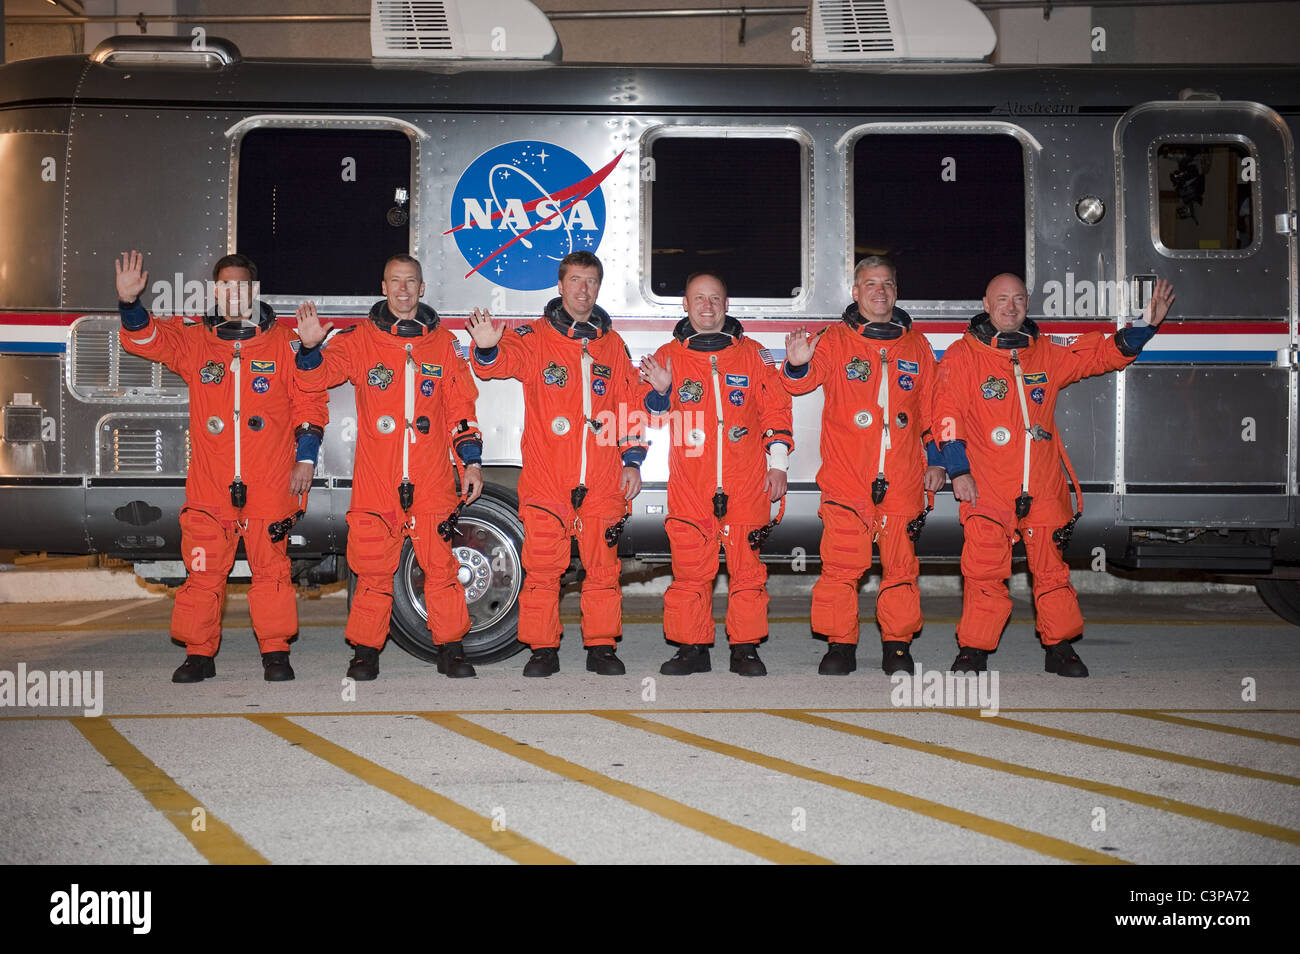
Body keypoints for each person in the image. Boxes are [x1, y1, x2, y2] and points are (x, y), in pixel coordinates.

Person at [933, 273, 1176, 676]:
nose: (1010, 307)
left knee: (1051, 572)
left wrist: (1145, 326)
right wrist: (958, 470)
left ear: (1027, 303)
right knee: (984, 571)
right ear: (985, 303)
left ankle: (1059, 646)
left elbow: (1099, 355)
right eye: (1002, 299)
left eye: (1018, 300)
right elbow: (946, 415)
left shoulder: (1044, 352)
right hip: (988, 485)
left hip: (1042, 485)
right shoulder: (962, 356)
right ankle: (974, 649)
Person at [115, 250, 328, 683]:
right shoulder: (196, 340)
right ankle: (199, 653)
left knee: (271, 572)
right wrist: (130, 303)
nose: (234, 293)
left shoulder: (286, 342)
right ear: (216, 290)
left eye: (243, 285)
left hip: (270, 480)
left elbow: (310, 401)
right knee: (204, 571)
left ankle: (275, 651)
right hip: (212, 484)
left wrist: (306, 458)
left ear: (254, 290)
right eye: (226, 285)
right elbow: (145, 339)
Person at [294, 254, 483, 681]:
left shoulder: (443, 345)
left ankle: (451, 648)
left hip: (431, 477)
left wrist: (470, 462)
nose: (403, 289)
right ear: (383, 287)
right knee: (373, 569)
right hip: (378, 481)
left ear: (422, 287)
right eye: (395, 281)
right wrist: (308, 349)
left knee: (441, 567)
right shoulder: (360, 339)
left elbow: (461, 410)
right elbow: (315, 378)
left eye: (411, 281)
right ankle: (365, 652)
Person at [466, 252, 647, 677]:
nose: (583, 289)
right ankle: (542, 649)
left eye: (591, 282)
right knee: (544, 568)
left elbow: (631, 404)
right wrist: (487, 347)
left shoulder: (612, 345)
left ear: (598, 288)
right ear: (561, 286)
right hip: (549, 478)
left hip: (602, 477)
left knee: (603, 568)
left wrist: (633, 460)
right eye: (576, 281)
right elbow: (495, 364)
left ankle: (601, 647)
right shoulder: (534, 337)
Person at [782, 256, 946, 676]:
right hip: (848, 478)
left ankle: (897, 645)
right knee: (841, 567)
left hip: (904, 478)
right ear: (855, 292)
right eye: (870, 284)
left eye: (887, 283)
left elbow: (931, 410)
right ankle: (840, 645)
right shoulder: (835, 340)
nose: (880, 291)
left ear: (896, 290)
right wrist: (797, 361)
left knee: (901, 568)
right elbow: (799, 383)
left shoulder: (917, 345)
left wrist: (937, 460)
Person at [640, 272, 792, 676]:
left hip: (746, 481)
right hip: (692, 483)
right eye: (698, 299)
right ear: (685, 306)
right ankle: (692, 649)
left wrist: (779, 465)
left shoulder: (755, 355)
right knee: (690, 572)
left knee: (747, 573)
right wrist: (661, 391)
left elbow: (776, 411)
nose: (707, 306)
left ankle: (744, 648)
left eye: (715, 299)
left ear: (726, 304)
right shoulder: (667, 355)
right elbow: (651, 419)